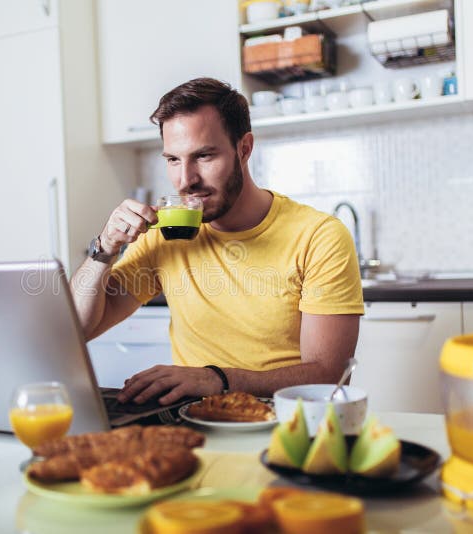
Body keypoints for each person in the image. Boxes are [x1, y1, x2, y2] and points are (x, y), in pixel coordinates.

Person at [71, 77, 363, 406]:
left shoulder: (319, 236)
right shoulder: (165, 235)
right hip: (192, 419)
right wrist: (104, 250)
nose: (186, 180)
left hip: (283, 421)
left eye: (204, 156)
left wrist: (217, 379)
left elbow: (329, 375)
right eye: (173, 160)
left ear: (244, 149)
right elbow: (77, 330)